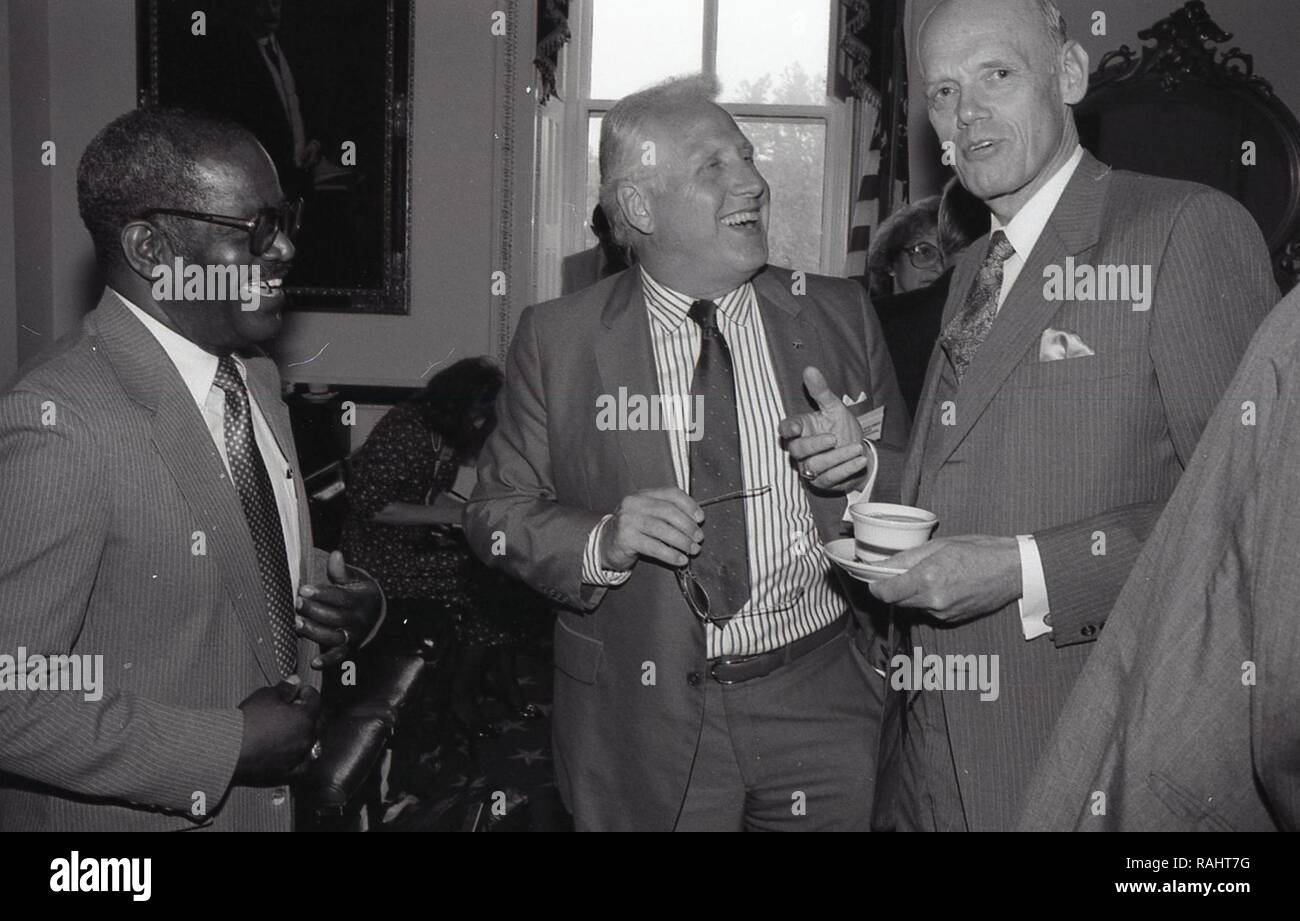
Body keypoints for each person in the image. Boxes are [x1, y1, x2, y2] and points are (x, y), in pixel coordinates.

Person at [786, 0, 1278, 831]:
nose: (966, 114)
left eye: (996, 75)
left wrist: (1024, 569)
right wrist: (863, 472)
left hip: (1088, 750)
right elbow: (961, 476)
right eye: (942, 91)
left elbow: (1251, 522)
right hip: (925, 749)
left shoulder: (1183, 231)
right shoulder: (975, 263)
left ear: (1071, 77)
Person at [465, 74, 909, 831]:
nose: (756, 182)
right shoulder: (559, 339)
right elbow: (494, 514)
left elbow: (921, 472)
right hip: (641, 715)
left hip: (823, 699)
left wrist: (865, 471)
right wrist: (604, 538)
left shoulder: (839, 314)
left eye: (748, 157)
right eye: (716, 166)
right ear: (639, 206)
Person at [0, 107, 382, 831]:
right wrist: (226, 745)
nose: (287, 246)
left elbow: (236, 562)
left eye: (286, 218)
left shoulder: (254, 379)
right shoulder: (61, 422)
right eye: (257, 229)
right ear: (151, 246)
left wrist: (345, 598)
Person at [1018, 283, 1300, 832]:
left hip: (1165, 768)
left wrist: (1029, 566)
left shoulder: (1189, 225)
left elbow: (1211, 513)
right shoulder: (966, 273)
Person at [341, 357, 542, 739]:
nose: (485, 426)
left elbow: (432, 497)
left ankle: (499, 678)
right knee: (482, 583)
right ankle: (462, 697)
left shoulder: (441, 436)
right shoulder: (405, 431)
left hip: (411, 543)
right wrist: (453, 517)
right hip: (377, 557)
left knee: (507, 567)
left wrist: (477, 514)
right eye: (481, 416)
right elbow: (373, 506)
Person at [871, 179, 987, 416]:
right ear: (891, 262)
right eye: (924, 252)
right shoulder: (868, 324)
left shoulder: (964, 314)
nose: (938, 265)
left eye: (943, 253)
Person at [866, 197, 945, 299]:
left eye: (946, 256)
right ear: (890, 264)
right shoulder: (864, 314)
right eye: (925, 252)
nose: (940, 268)